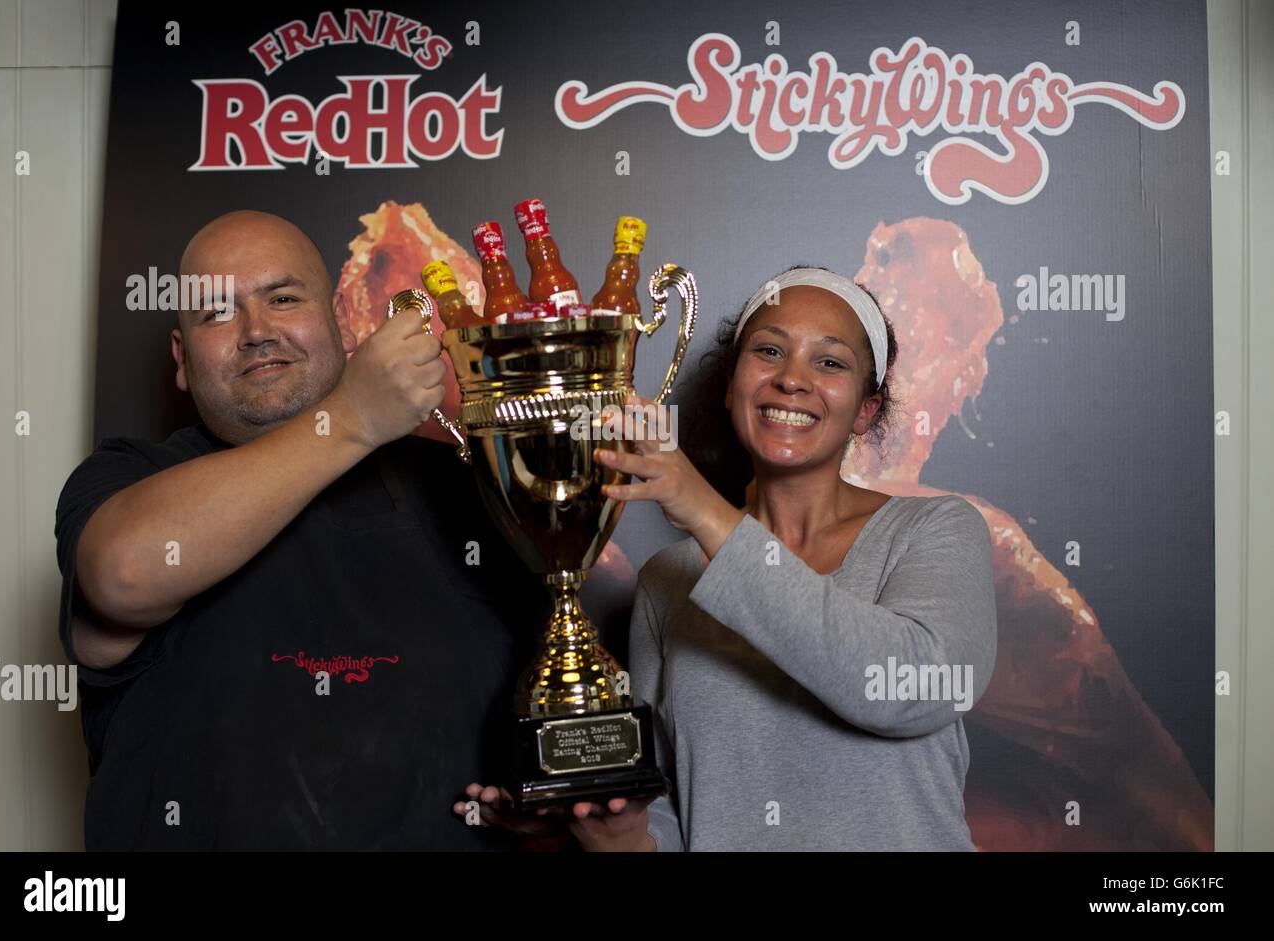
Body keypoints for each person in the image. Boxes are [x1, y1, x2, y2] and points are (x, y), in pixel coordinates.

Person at [457, 265, 997, 851]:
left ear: (867, 410)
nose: (792, 379)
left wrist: (703, 509)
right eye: (769, 351)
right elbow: (667, 807)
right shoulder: (668, 579)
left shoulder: (935, 529)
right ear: (731, 384)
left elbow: (910, 690)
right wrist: (611, 830)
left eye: (830, 362)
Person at [55, 210, 545, 850]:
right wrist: (354, 417)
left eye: (283, 298)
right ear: (181, 358)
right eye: (216, 314)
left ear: (342, 325)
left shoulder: (463, 487)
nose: (257, 332)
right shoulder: (128, 479)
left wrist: (536, 804)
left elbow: (536, 731)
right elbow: (124, 573)